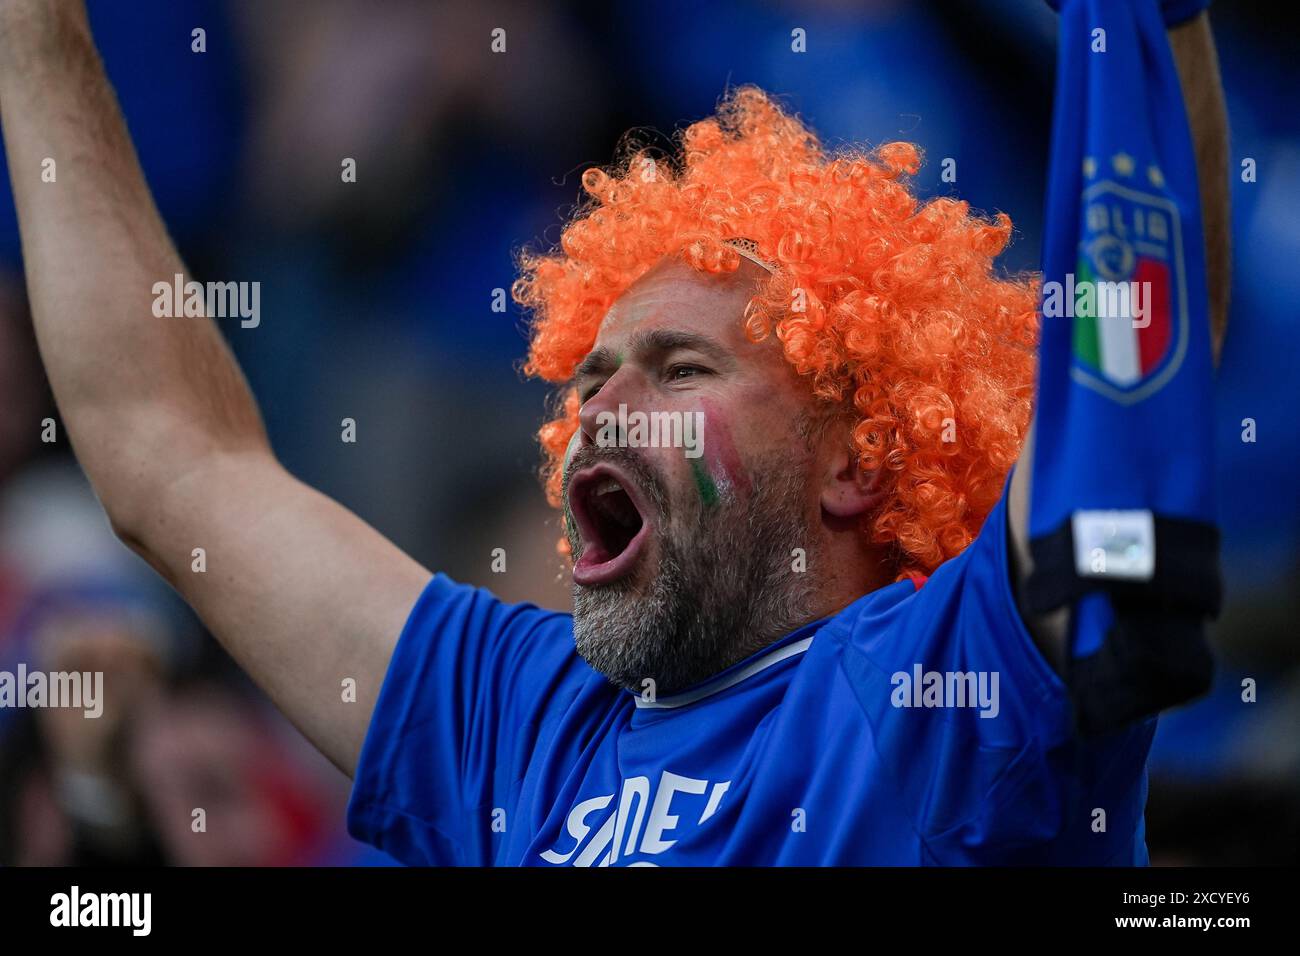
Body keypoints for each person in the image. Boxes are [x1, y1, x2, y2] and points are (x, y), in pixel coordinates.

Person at [0, 0, 1228, 864]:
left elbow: (1135, 382)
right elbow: (172, 456)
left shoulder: (947, 688)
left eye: (676, 366)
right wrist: (33, 26)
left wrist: (1146, 21)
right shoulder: (517, 722)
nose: (595, 406)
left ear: (859, 458)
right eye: (585, 378)